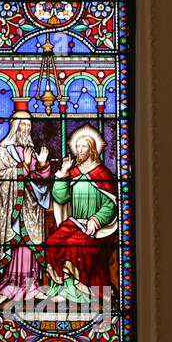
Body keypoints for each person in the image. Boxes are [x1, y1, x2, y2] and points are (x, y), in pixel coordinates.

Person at [43, 125, 119, 304]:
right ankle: (61, 286)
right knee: (52, 243)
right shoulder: (74, 173)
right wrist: (63, 173)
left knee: (75, 245)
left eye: (83, 146)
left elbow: (110, 204)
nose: (79, 150)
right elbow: (60, 197)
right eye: (77, 146)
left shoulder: (103, 174)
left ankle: (76, 292)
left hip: (97, 228)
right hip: (76, 222)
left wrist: (96, 219)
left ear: (92, 149)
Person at [0, 112, 54, 304]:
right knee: (15, 246)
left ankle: (32, 287)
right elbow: (0, 176)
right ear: (14, 127)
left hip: (31, 206)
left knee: (30, 247)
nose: (26, 129)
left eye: (28, 126)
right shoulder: (4, 149)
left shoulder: (31, 149)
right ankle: (9, 286)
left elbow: (40, 180)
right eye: (22, 125)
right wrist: (24, 166)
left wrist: (43, 165)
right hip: (13, 205)